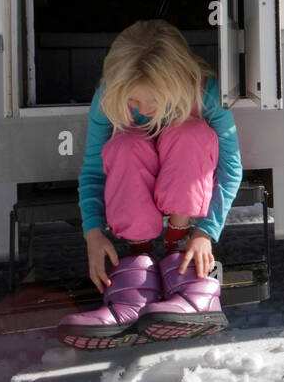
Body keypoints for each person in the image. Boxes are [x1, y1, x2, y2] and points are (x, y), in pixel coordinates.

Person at [56, 20, 242, 349]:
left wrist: (205, 234)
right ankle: (137, 276)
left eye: (154, 102)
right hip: (141, 177)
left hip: (183, 188)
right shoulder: (108, 98)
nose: (144, 110)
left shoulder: (206, 93)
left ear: (179, 82)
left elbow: (231, 168)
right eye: (134, 103)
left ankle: (181, 257)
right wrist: (93, 234)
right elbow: (93, 171)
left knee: (191, 133)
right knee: (123, 145)